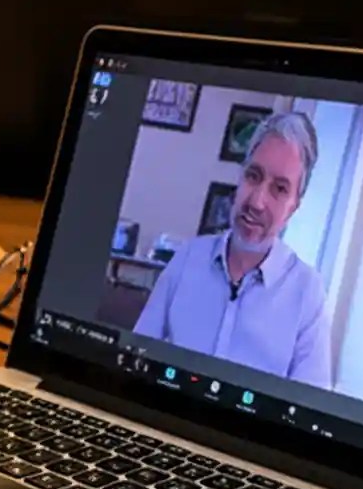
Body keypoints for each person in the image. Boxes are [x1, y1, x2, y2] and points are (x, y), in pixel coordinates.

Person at [133, 111, 332, 389]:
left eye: (279, 189)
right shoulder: (187, 258)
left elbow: (310, 407)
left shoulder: (308, 294)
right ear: (240, 177)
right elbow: (135, 359)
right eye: (254, 176)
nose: (257, 202)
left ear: (293, 207)